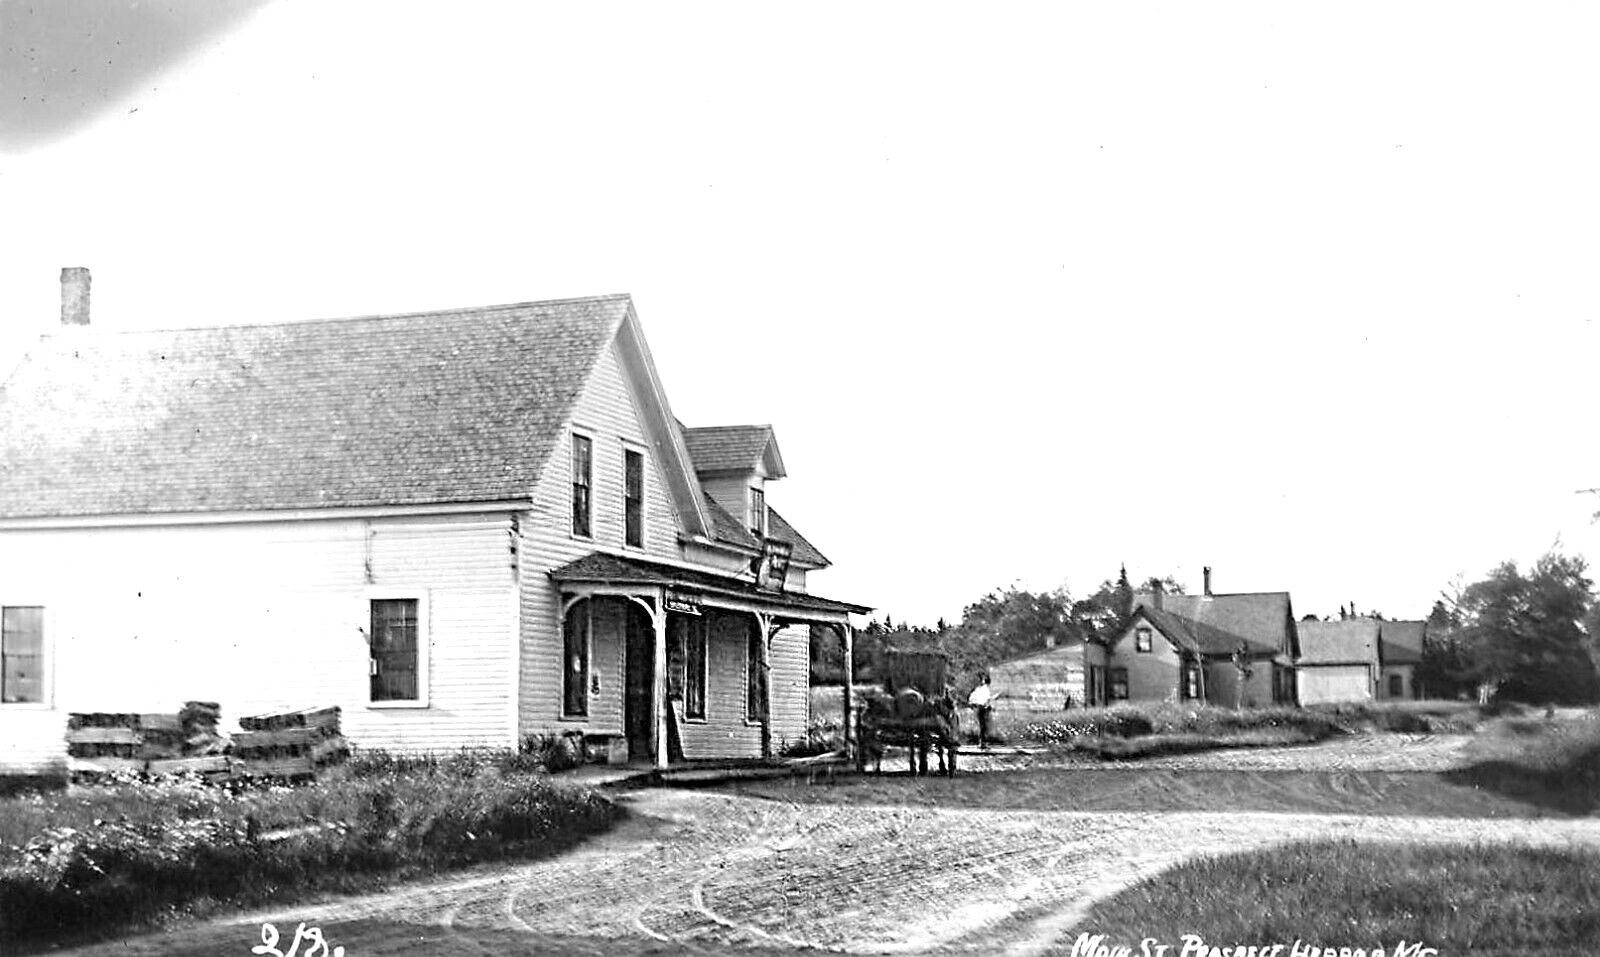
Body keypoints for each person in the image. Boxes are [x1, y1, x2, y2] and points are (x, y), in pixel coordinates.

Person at [967, 673, 995, 749]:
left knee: (986, 726)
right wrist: (974, 704)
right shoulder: (979, 689)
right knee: (983, 726)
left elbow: (987, 699)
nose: (982, 681)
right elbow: (972, 699)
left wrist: (988, 704)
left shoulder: (985, 689)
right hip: (981, 708)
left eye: (983, 680)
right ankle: (983, 742)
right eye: (982, 680)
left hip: (985, 708)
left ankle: (984, 742)